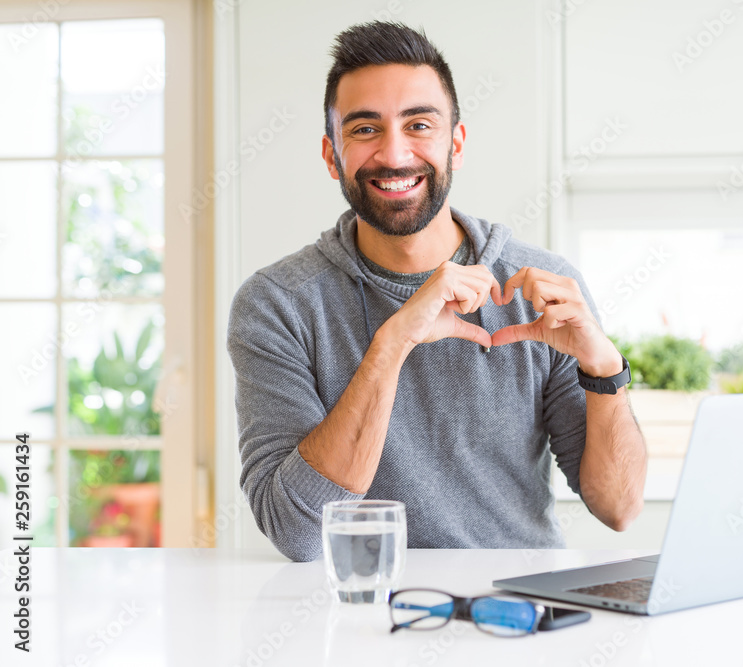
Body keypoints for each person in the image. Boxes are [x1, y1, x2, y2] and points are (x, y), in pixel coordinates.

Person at [227, 21, 647, 562]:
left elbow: (620, 508)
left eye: (419, 124)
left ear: (456, 143)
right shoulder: (276, 305)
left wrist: (604, 369)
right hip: (357, 614)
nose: (394, 154)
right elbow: (297, 532)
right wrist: (394, 340)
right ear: (332, 156)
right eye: (364, 129)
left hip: (513, 611)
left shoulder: (539, 287)